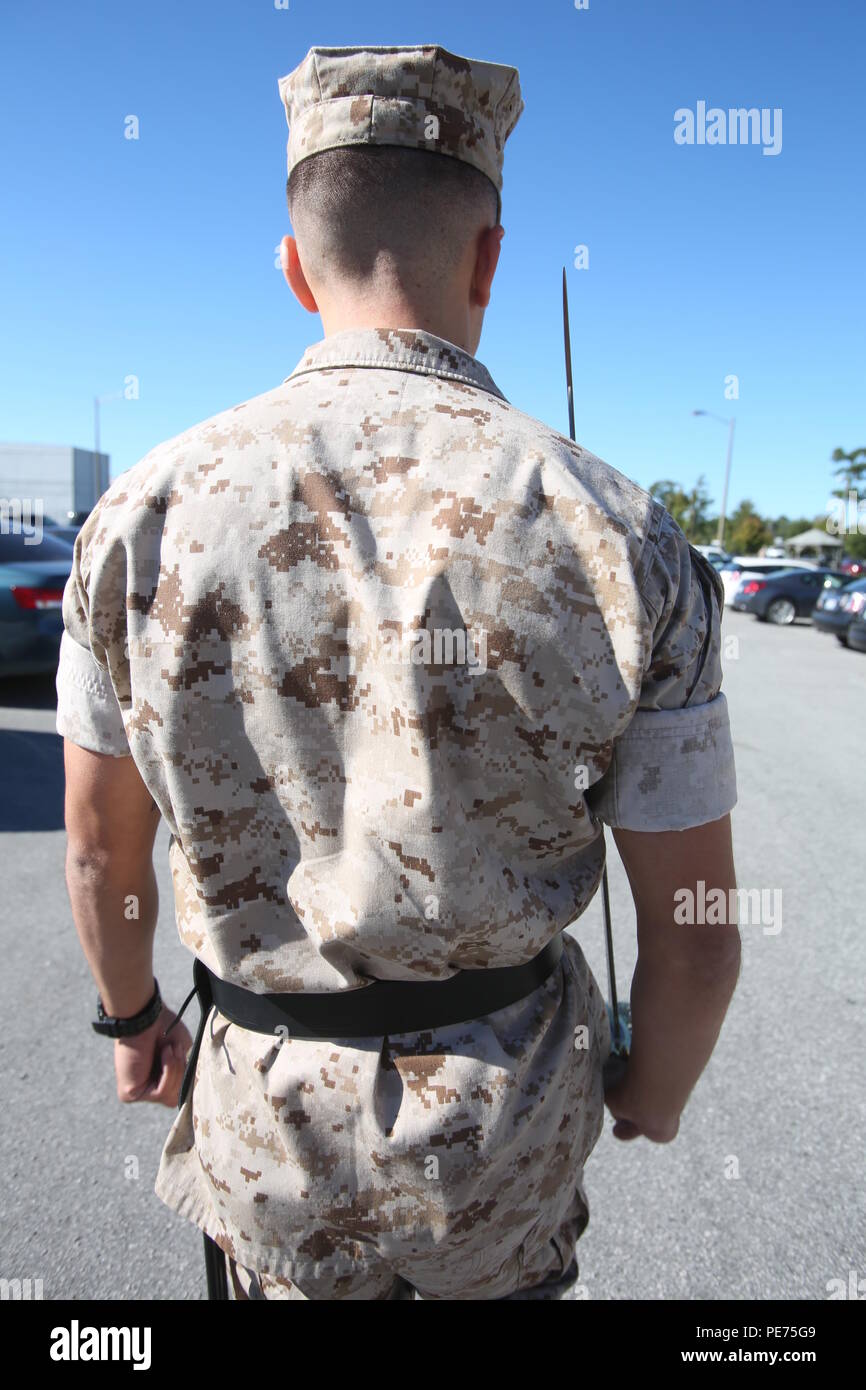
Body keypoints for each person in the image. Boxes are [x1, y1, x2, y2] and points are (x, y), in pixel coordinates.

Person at [56, 42, 741, 1301]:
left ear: (292, 266)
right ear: (487, 261)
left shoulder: (142, 518)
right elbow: (695, 932)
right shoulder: (624, 534)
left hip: (265, 1136)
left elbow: (103, 854)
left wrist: (132, 1021)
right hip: (503, 1150)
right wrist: (657, 1086)